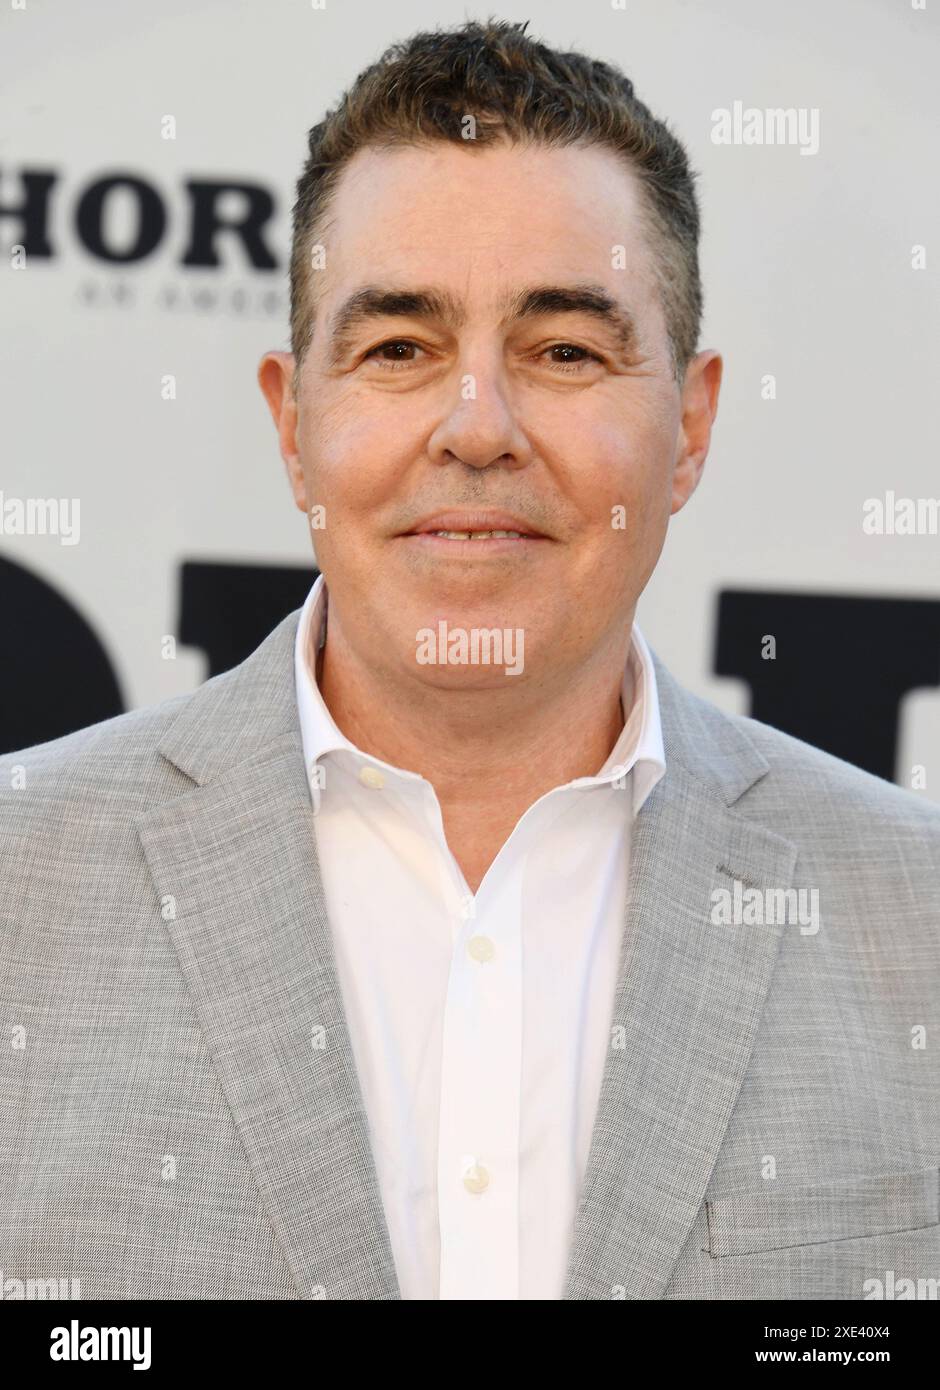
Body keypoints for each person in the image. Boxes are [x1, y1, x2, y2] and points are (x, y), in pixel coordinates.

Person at [1, 18, 938, 1302]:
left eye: (564, 350)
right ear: (292, 423)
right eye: (399, 348)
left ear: (691, 425)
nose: (478, 427)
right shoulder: (18, 889)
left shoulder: (915, 924)